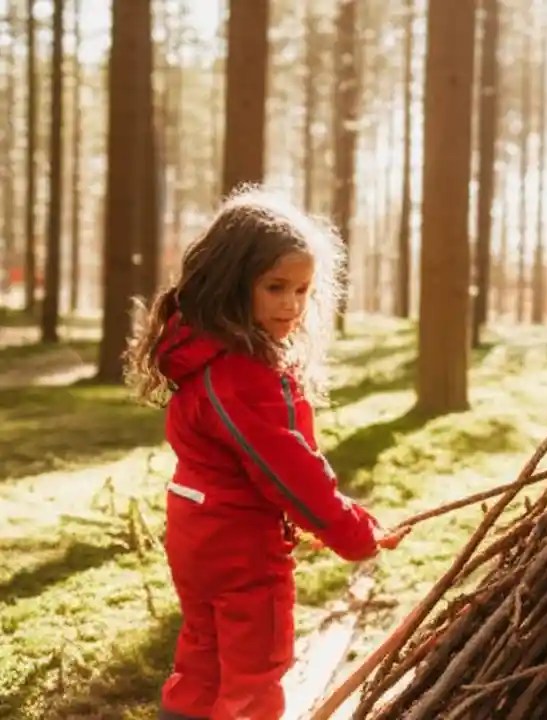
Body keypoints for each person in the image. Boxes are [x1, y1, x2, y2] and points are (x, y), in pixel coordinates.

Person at [126, 187, 406, 720]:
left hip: (197, 530)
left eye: (303, 290)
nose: (291, 304)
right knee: (256, 667)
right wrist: (352, 532)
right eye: (275, 287)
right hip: (239, 547)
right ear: (234, 286)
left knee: (204, 656)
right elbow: (289, 471)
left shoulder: (201, 349)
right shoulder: (241, 374)